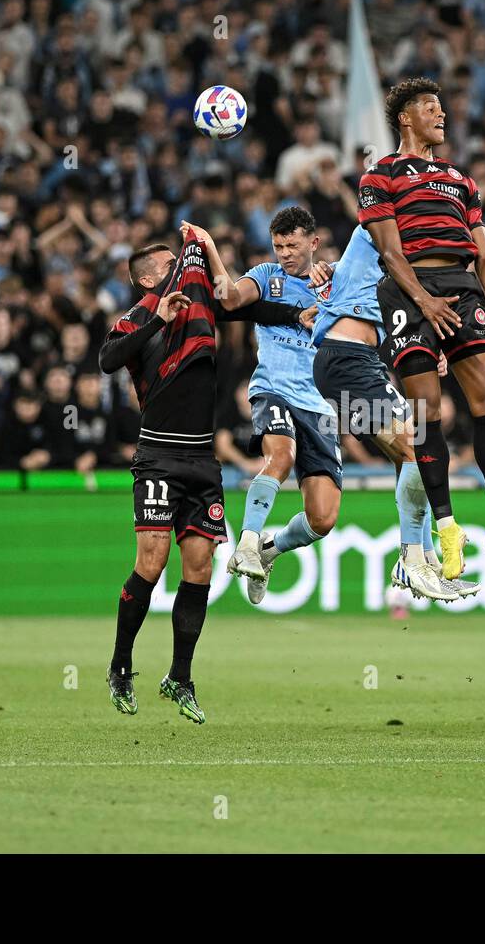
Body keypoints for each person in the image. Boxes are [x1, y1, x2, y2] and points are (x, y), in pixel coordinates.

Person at [97, 228, 314, 723]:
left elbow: (246, 308)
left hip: (200, 459)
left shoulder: (201, 305)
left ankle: (180, 676)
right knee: (150, 564)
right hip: (157, 454)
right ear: (149, 277)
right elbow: (107, 360)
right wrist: (157, 318)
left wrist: (294, 316)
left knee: (199, 568)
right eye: (171, 263)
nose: (183, 266)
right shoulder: (138, 316)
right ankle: (120, 666)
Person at [360, 76, 485, 582]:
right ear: (405, 118)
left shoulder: (460, 179)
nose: (441, 115)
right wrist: (424, 301)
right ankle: (446, 528)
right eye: (430, 108)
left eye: (442, 109)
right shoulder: (380, 176)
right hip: (409, 291)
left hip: (462, 288)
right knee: (426, 411)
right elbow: (390, 252)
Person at [311, 224, 479, 601]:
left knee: (412, 457)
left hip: (358, 360)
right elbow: (380, 255)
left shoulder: (399, 258)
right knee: (417, 447)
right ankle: (410, 559)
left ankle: (426, 559)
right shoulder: (380, 227)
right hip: (345, 359)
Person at [223, 207, 349, 605]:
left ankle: (269, 549)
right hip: (273, 388)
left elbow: (367, 326)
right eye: (279, 246)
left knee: (323, 519)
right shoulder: (265, 276)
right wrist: (209, 251)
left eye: (293, 245)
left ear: (313, 243)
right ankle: (245, 544)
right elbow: (230, 299)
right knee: (281, 456)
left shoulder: (334, 284)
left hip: (319, 405)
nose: (285, 254)